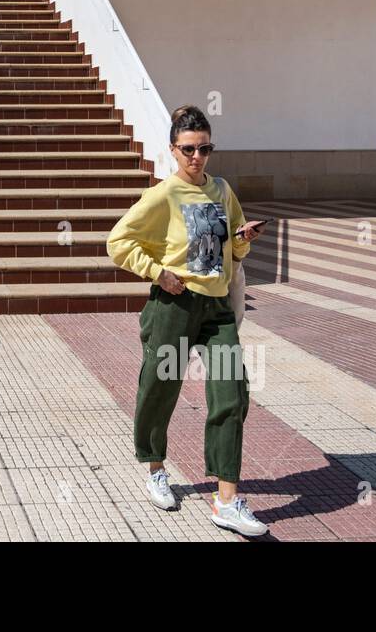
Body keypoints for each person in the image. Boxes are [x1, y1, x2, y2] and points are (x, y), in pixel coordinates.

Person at [107, 104, 269, 537]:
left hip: (216, 310)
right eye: (189, 150)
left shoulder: (221, 190)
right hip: (174, 307)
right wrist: (158, 271)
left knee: (231, 396)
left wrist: (243, 239)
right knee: (160, 388)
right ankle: (156, 466)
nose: (197, 157)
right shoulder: (164, 194)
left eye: (205, 149)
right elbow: (118, 241)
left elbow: (233, 247)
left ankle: (227, 500)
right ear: (174, 151)